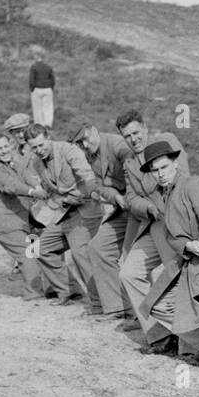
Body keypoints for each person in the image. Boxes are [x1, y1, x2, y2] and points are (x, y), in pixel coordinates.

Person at [135, 140, 199, 361]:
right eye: (155, 171)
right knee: (156, 305)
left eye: (164, 167)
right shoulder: (164, 196)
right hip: (188, 263)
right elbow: (171, 235)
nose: (159, 174)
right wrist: (186, 245)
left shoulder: (192, 184)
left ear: (175, 163)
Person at [118, 114, 190, 337]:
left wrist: (158, 200)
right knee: (128, 274)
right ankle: (158, 334)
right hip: (152, 223)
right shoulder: (129, 162)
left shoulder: (166, 141)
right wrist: (148, 207)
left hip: (177, 223)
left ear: (145, 128)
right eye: (127, 136)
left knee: (176, 276)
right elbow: (131, 198)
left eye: (136, 133)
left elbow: (182, 176)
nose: (133, 139)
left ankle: (188, 335)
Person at [23, 123, 96, 303]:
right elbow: (52, 190)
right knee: (39, 249)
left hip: (84, 209)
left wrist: (82, 194)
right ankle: (69, 291)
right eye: (34, 147)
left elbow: (88, 175)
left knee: (81, 254)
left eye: (42, 144)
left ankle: (102, 302)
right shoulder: (36, 162)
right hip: (63, 212)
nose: (39, 150)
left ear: (49, 137)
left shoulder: (68, 150)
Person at [69, 123, 135, 319]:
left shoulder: (118, 146)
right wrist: (116, 197)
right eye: (80, 143)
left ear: (95, 131)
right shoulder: (91, 154)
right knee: (97, 247)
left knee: (134, 257)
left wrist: (127, 198)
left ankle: (140, 314)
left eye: (86, 138)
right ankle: (118, 307)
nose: (85, 145)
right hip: (122, 206)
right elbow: (99, 184)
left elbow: (137, 173)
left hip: (139, 204)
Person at [0, 132, 47, 298]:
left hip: (24, 221)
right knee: (27, 254)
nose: (4, 151)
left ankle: (50, 289)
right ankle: (34, 293)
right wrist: (33, 192)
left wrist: (39, 186)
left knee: (39, 250)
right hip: (7, 224)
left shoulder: (16, 163)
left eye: (6, 146)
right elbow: (10, 186)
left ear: (11, 146)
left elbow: (28, 176)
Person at [29, 59, 55, 129]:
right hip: (47, 89)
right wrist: (51, 88)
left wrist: (32, 88)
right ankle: (48, 124)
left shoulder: (34, 67)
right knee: (48, 108)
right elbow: (52, 79)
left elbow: (31, 79)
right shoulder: (48, 67)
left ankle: (39, 125)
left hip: (37, 89)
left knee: (37, 108)